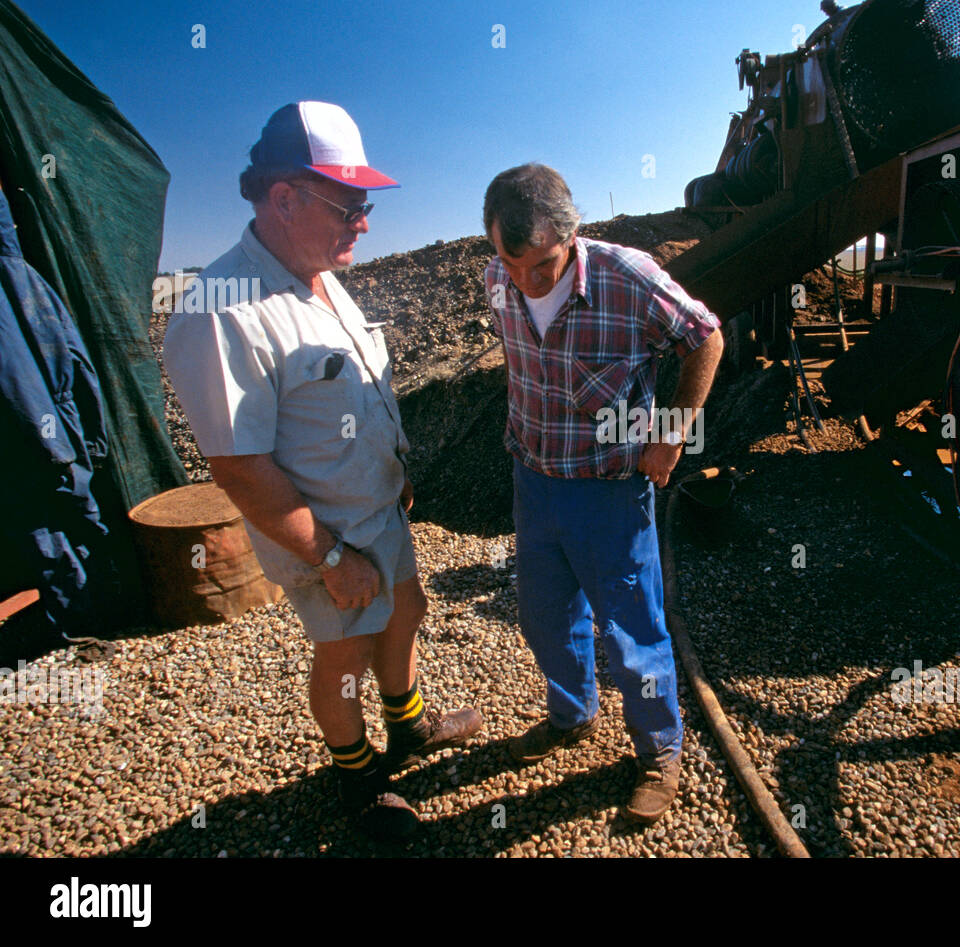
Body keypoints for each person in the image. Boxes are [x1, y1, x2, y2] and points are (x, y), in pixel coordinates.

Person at [163, 102, 481, 841]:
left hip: (378, 509)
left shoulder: (319, 274)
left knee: (407, 613)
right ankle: (358, 774)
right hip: (327, 532)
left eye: (365, 205)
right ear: (284, 198)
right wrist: (331, 558)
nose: (364, 222)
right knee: (346, 654)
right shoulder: (221, 312)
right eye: (350, 204)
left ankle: (408, 726)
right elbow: (240, 468)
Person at [482, 163, 724, 823]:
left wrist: (672, 433)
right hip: (534, 482)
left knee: (632, 633)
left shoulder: (629, 278)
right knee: (543, 617)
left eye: (544, 265)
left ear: (573, 232)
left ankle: (659, 750)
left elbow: (706, 337)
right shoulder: (496, 282)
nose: (527, 280)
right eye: (511, 262)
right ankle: (572, 713)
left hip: (611, 493)